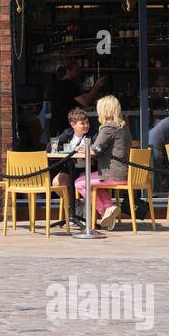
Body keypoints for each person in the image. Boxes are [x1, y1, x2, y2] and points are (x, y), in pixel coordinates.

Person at [73, 95, 132, 230]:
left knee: (79, 183)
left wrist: (84, 148)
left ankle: (104, 211)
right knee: (86, 179)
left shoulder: (108, 128)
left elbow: (95, 150)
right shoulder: (123, 127)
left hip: (112, 174)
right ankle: (109, 207)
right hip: (123, 172)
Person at [50, 107, 92, 228]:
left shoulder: (93, 134)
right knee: (57, 183)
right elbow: (50, 147)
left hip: (87, 168)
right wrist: (65, 149)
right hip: (70, 168)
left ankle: (86, 213)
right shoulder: (68, 134)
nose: (86, 126)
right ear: (73, 124)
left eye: (87, 122)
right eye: (82, 123)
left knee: (85, 182)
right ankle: (75, 205)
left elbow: (96, 148)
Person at [48, 61, 105, 137]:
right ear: (68, 71)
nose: (78, 73)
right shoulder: (70, 85)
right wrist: (96, 86)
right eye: (76, 71)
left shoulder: (56, 85)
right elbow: (85, 101)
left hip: (55, 124)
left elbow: (65, 103)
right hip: (67, 125)